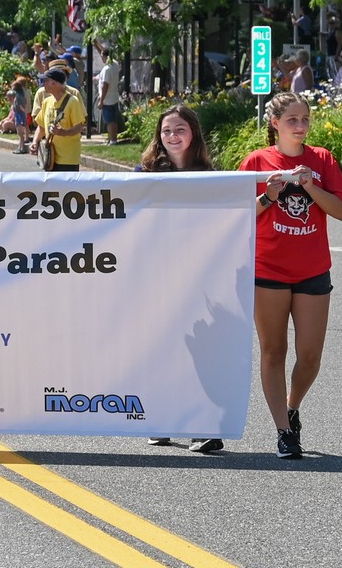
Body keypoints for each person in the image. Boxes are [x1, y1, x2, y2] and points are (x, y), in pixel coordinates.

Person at [240, 92, 342, 458]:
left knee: (310, 356)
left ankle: (292, 405)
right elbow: (237, 216)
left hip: (312, 270)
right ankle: (284, 432)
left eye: (305, 119)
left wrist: (309, 185)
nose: (301, 126)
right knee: (274, 352)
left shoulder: (322, 160)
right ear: (275, 123)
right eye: (292, 120)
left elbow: (340, 211)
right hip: (267, 270)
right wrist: (270, 195)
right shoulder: (257, 162)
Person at [137, 104, 223, 453]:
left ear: (193, 133)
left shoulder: (212, 176)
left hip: (200, 277)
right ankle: (162, 419)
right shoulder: (143, 174)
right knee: (162, 349)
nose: (172, 136)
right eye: (166, 131)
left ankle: (205, 426)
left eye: (179, 130)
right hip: (156, 275)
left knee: (202, 352)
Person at [30, 68, 86, 171]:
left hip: (68, 158)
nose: (43, 84)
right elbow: (41, 126)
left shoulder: (73, 101)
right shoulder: (47, 102)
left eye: (45, 81)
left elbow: (79, 127)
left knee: (67, 187)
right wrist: (35, 141)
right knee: (52, 187)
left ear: (54, 83)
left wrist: (62, 132)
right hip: (50, 157)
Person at [96, 46, 121, 145]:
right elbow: (103, 51)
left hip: (107, 99)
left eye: (102, 56)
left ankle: (113, 140)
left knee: (109, 121)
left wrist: (101, 100)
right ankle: (112, 139)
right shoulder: (115, 64)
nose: (101, 58)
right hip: (114, 97)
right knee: (113, 120)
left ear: (105, 57)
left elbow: (105, 85)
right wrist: (95, 44)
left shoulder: (107, 69)